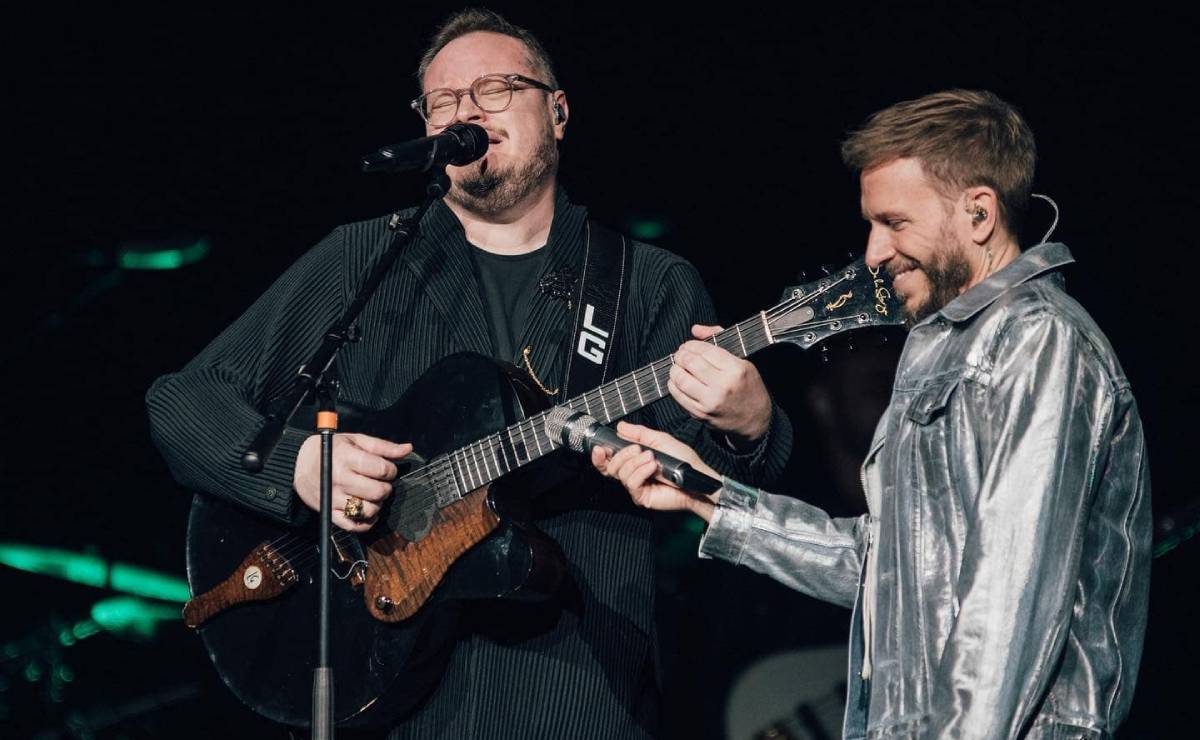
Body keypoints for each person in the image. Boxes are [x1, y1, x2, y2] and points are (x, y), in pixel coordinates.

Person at [146, 8, 792, 739]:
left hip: (575, 690)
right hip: (376, 686)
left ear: (558, 110)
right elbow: (182, 403)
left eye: (493, 89)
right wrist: (300, 466)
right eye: (444, 102)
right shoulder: (362, 258)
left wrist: (748, 428)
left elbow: (705, 493)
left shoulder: (648, 282)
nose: (466, 112)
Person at [594, 90, 1151, 739]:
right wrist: (708, 497)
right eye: (871, 225)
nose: (874, 253)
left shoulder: (1039, 343)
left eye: (895, 222)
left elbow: (1009, 605)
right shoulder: (941, 348)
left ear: (978, 213)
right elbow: (885, 566)